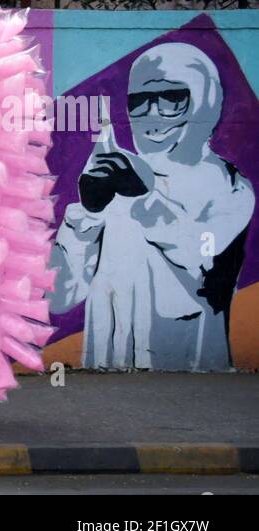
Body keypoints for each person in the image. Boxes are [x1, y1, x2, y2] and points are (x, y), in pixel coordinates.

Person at [50, 42, 253, 371]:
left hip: (192, 376)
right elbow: (60, 296)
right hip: (107, 375)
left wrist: (144, 200)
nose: (152, 114)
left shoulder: (229, 186)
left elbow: (203, 259)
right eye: (140, 102)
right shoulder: (121, 173)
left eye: (171, 98)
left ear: (203, 102)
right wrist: (86, 216)